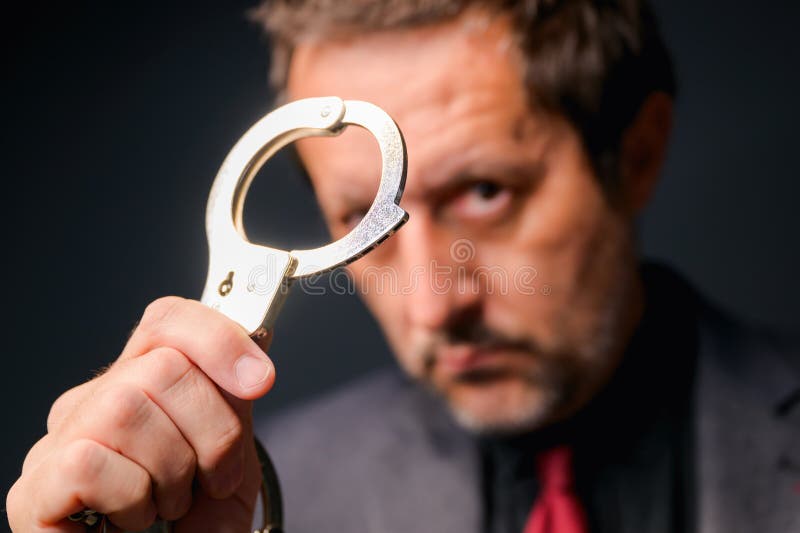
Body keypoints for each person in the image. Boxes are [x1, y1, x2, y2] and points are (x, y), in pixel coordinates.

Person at [6, 1, 798, 532]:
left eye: (486, 192)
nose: (431, 305)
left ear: (638, 154)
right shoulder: (241, 500)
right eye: (359, 218)